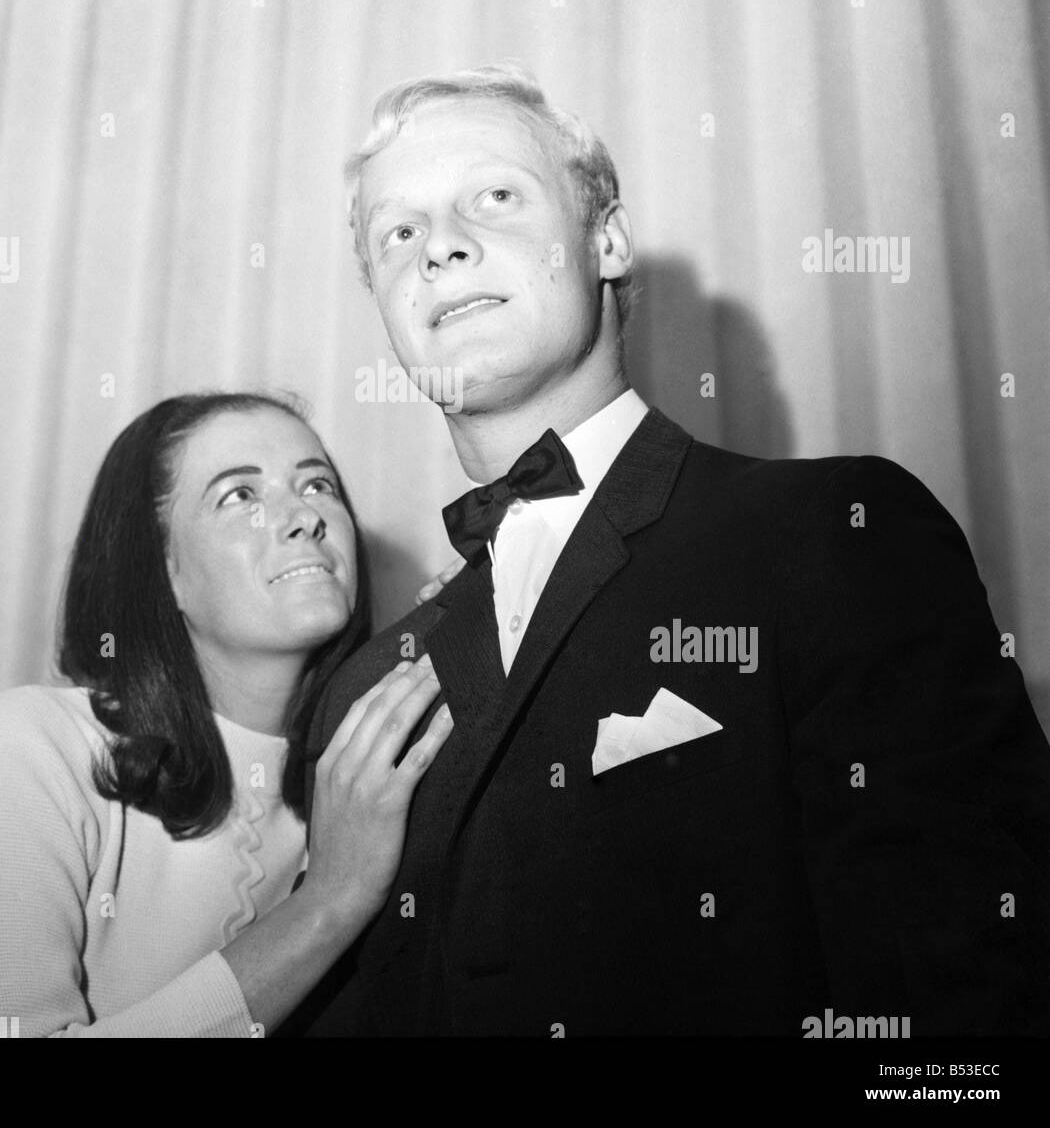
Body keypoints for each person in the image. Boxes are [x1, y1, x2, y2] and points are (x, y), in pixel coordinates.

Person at [296, 63, 1050, 1036]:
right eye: (397, 232)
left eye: (493, 196)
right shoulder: (365, 689)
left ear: (605, 239)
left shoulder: (832, 532)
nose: (438, 247)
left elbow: (977, 997)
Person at [0, 392, 454, 1037]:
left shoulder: (370, 779)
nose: (305, 515)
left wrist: (472, 648)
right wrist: (328, 904)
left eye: (318, 484)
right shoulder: (25, 747)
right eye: (240, 496)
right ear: (162, 569)